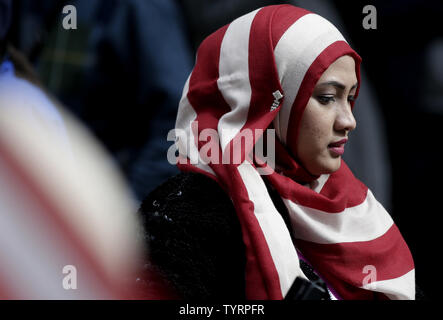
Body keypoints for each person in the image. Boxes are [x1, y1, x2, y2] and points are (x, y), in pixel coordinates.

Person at [137, 4, 415, 300]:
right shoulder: (188, 214)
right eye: (326, 97)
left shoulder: (354, 205)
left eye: (350, 98)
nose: (349, 121)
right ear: (268, 101)